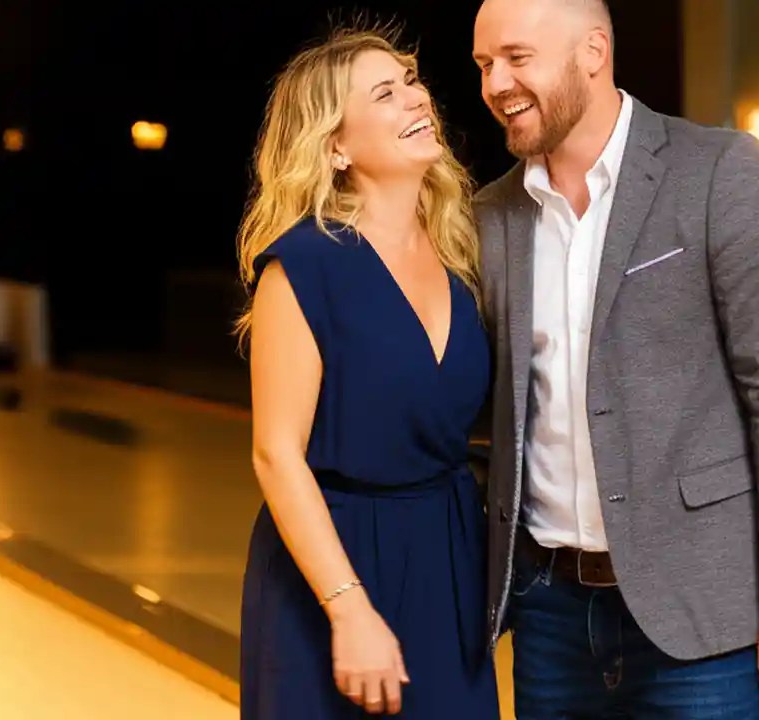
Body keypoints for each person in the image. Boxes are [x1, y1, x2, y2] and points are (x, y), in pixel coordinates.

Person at [469, 0, 759, 717]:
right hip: (549, 616)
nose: (495, 83)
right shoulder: (490, 217)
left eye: (517, 58)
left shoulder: (719, 172)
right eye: (484, 64)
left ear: (593, 51)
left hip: (705, 612)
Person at [234, 26, 499, 719]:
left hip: (446, 563)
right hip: (332, 567)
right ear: (336, 146)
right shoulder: (305, 266)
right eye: (386, 92)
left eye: (413, 82)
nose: (418, 99)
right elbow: (276, 454)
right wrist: (348, 610)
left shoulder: (461, 253)